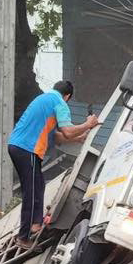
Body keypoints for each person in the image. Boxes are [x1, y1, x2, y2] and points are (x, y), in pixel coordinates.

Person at [7, 80, 98, 245]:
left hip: (17, 146)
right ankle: (23, 236)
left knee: (38, 184)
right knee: (31, 191)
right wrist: (87, 124)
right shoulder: (59, 102)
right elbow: (68, 131)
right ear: (67, 96)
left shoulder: (43, 99)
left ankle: (35, 225)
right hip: (28, 149)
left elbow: (56, 136)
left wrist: (78, 138)